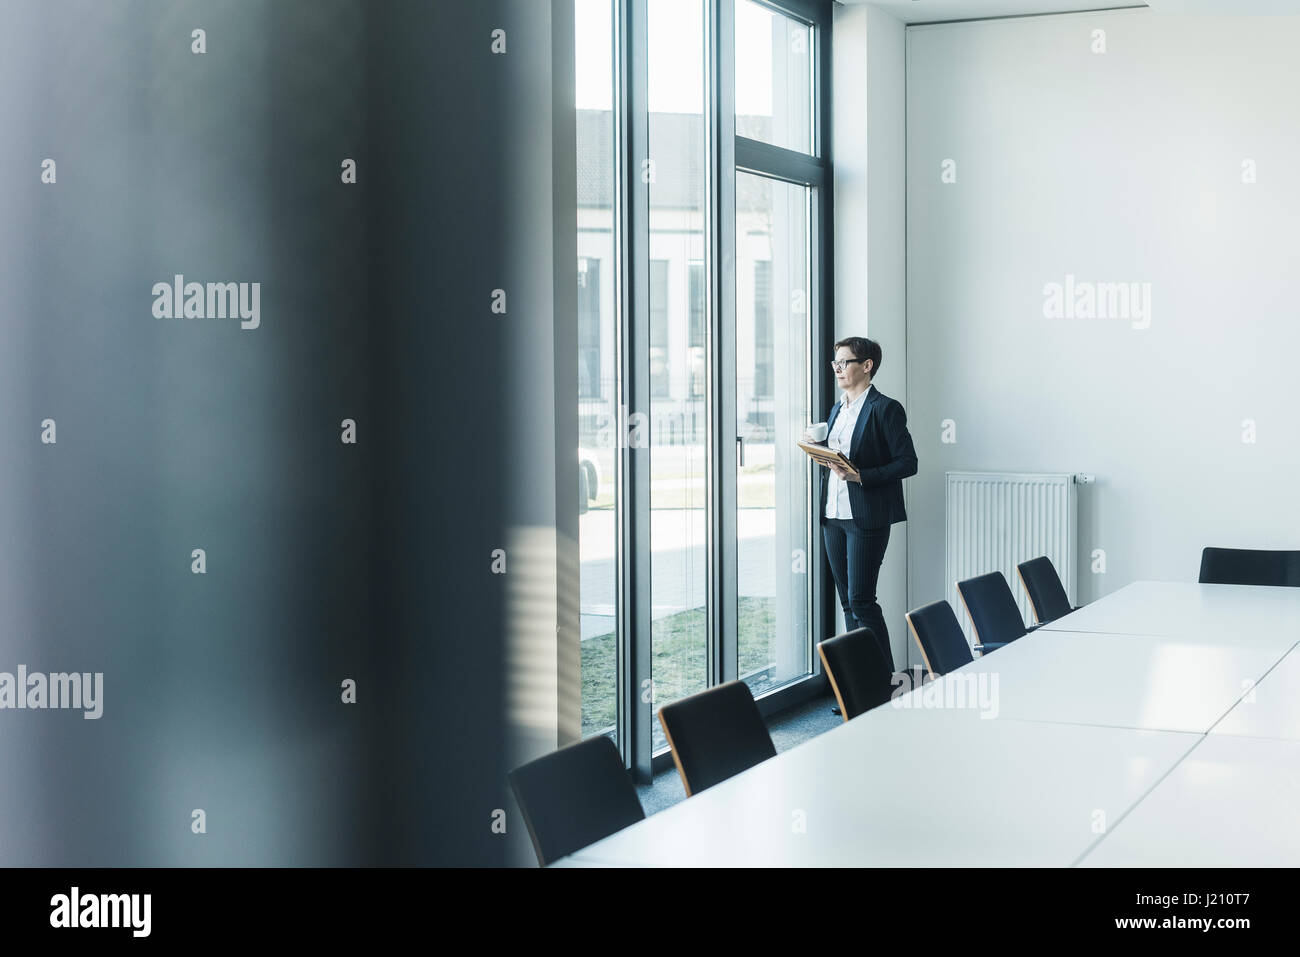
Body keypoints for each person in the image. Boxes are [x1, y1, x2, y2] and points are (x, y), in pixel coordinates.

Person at [803, 337, 917, 707]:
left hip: (865, 516)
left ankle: (886, 686)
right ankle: (861, 688)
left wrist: (861, 475)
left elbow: (907, 463)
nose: (837, 369)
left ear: (866, 366)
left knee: (862, 600)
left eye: (844, 362)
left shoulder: (886, 409)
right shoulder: (839, 409)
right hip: (833, 515)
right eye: (834, 362)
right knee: (848, 604)